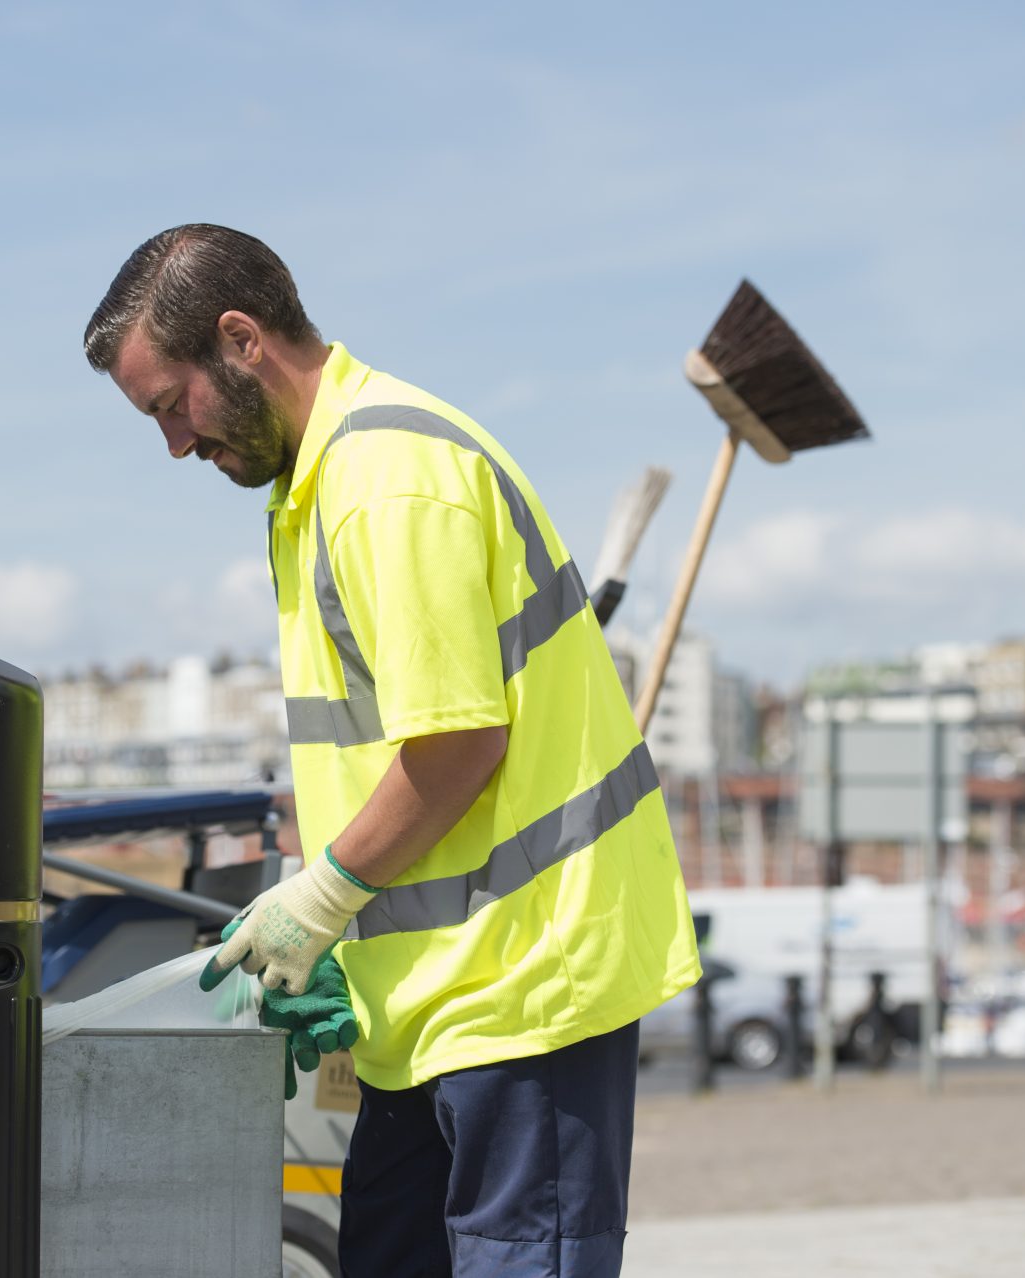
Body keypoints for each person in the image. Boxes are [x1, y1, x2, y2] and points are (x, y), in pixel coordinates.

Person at [84, 224, 699, 1277]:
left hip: (523, 992)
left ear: (241, 341)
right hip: (433, 1002)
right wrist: (334, 928)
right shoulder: (317, 488)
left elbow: (458, 746)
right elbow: (376, 758)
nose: (175, 444)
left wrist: (318, 902)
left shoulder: (385, 480)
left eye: (168, 405)